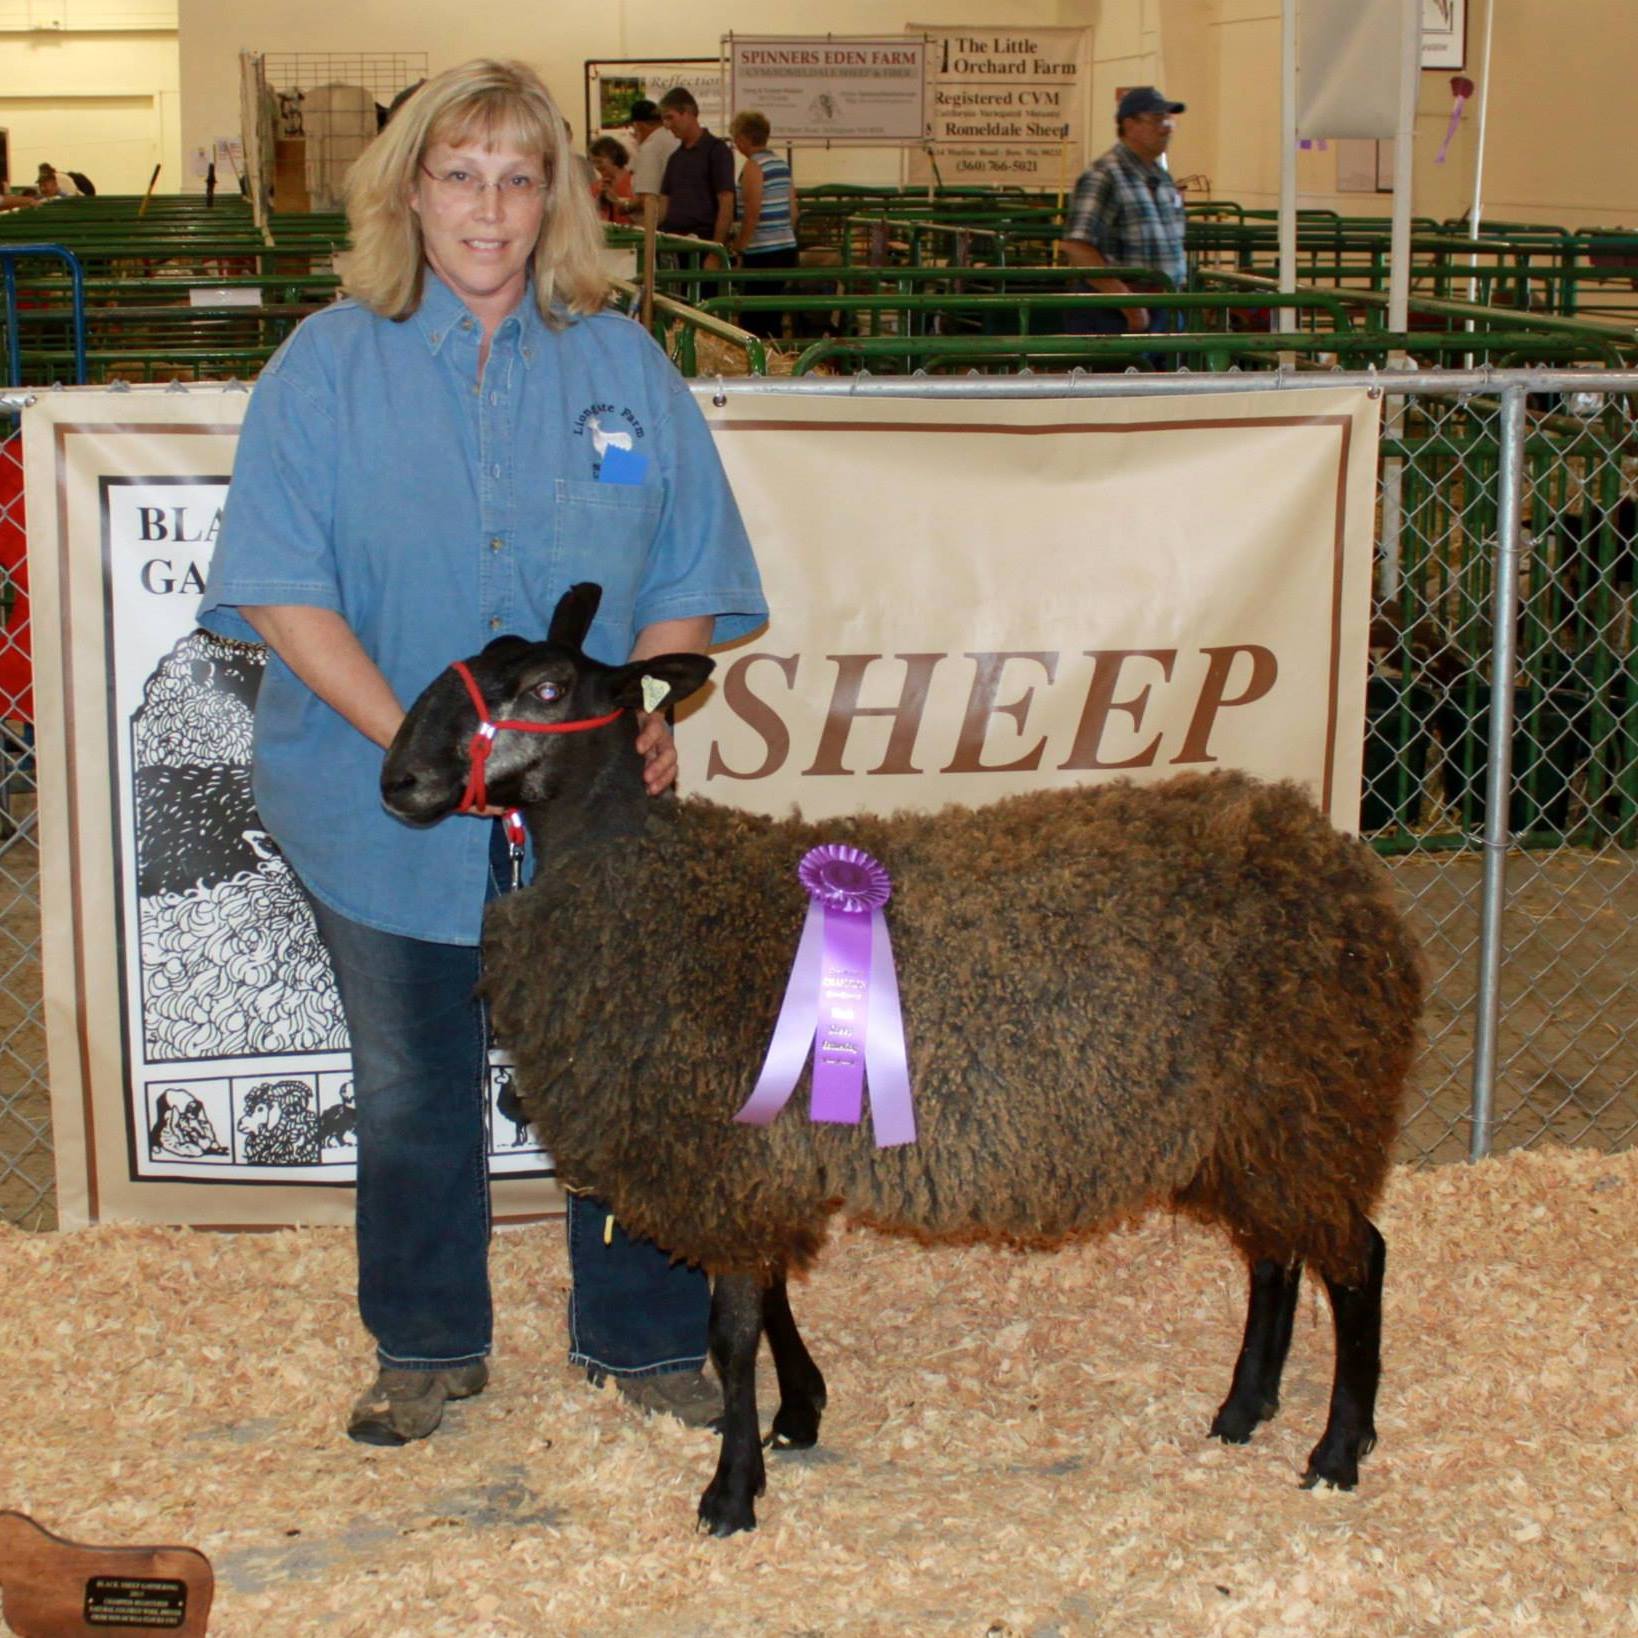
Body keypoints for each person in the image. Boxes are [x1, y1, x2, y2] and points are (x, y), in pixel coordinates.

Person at [196, 58, 767, 1447]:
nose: (490, 208)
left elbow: (686, 564)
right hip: (377, 804)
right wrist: (425, 746)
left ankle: (639, 1339)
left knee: (621, 1060)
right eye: (460, 174)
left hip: (585, 822)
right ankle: (428, 1341)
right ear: (408, 190)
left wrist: (643, 713)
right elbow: (281, 589)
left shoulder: (623, 366)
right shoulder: (325, 366)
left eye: (520, 177)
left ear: (560, 198)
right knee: (411, 1082)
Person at [1058, 86, 1188, 337]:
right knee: (1116, 373)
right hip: (1114, 311)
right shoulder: (1104, 175)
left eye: (1169, 120)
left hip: (1162, 306)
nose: (1166, 128)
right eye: (1157, 120)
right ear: (1129, 124)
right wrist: (1128, 304)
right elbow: (1077, 246)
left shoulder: (1161, 177)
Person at [727, 111, 798, 340]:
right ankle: (776, 361)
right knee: (773, 312)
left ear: (744, 138)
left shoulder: (753, 167)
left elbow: (751, 212)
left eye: (736, 137)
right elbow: (793, 210)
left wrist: (739, 248)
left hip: (762, 251)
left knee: (754, 316)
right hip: (786, 247)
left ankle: (760, 366)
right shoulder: (780, 164)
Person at [657, 87, 733, 252]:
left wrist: (716, 249)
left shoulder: (717, 151)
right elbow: (664, 202)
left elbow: (726, 202)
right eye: (664, 119)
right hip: (673, 242)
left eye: (670, 117)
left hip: (702, 242)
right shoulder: (675, 158)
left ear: (689, 112)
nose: (667, 125)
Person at [626, 99, 679, 233]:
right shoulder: (673, 139)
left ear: (638, 125)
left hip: (658, 228)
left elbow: (647, 199)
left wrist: (623, 206)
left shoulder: (650, 147)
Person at [588, 135, 633, 222]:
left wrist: (616, 200)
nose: (596, 166)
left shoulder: (634, 183)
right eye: (594, 162)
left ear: (614, 157)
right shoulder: (596, 187)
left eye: (599, 162)